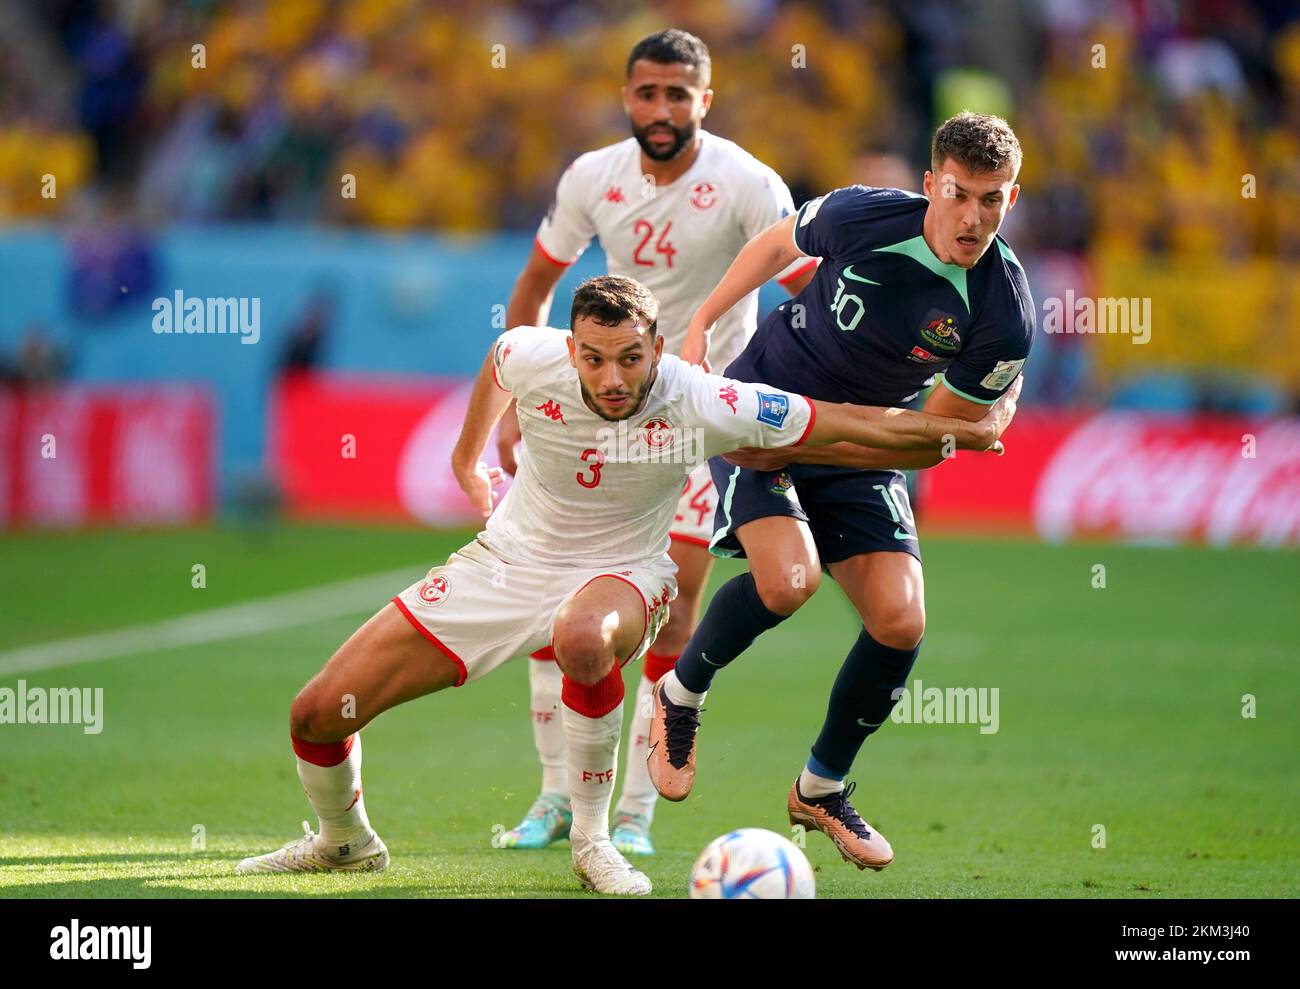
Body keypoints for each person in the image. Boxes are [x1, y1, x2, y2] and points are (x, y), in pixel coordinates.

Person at [235, 274, 1018, 895]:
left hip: (624, 574)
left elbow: (852, 422)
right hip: (507, 562)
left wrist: (962, 430)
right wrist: (467, 455)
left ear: (658, 347)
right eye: (594, 357)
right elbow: (497, 362)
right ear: (571, 348)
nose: (611, 378)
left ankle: (591, 841)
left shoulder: (707, 399)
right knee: (315, 713)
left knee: (581, 637)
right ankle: (344, 844)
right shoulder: (531, 355)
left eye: (630, 358)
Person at [649, 111, 1036, 873]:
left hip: (862, 451)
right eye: (959, 194)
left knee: (900, 619)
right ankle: (680, 691)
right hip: (761, 409)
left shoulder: (1003, 313)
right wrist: (702, 322)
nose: (972, 217)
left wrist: (870, 437)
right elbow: (773, 245)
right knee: (787, 581)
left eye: (992, 200)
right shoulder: (864, 214)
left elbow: (930, 440)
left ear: (1011, 200)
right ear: (929, 184)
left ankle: (819, 787)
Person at [496, 29, 816, 856]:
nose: (663, 109)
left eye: (681, 95)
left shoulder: (748, 182)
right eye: (649, 93)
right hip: (594, 418)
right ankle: (553, 797)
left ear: (705, 101)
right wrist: (511, 396)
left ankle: (630, 813)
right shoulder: (591, 178)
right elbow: (536, 284)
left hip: (693, 425)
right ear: (627, 97)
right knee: (551, 616)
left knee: (666, 622)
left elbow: (809, 286)